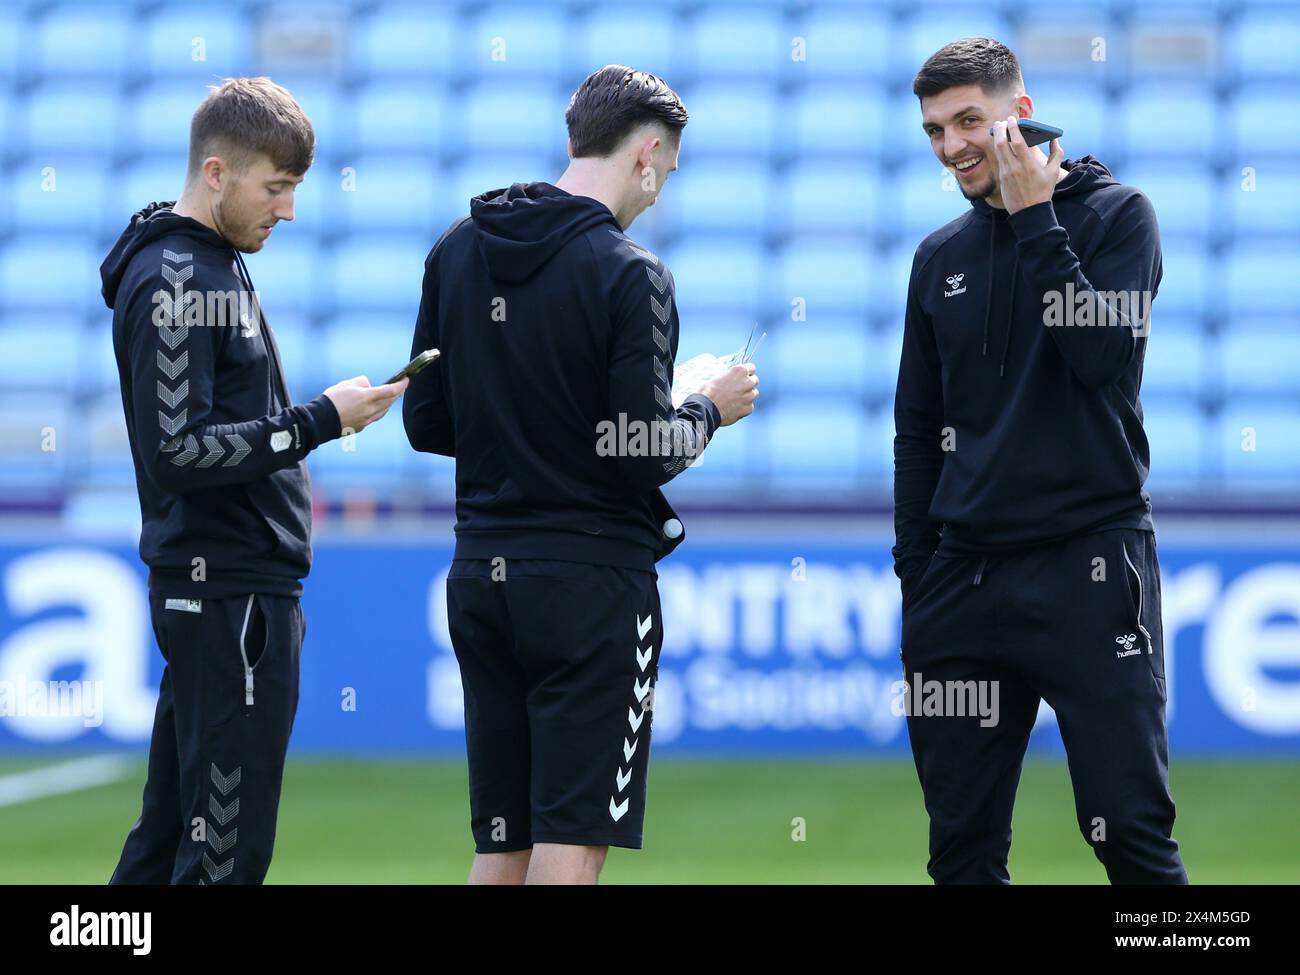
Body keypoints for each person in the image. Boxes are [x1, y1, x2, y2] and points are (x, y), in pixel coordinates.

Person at [404, 64, 759, 884]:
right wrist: (708, 407)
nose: (660, 193)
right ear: (644, 153)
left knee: (503, 838)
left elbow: (425, 421)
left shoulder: (456, 249)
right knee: (573, 840)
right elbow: (641, 447)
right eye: (665, 171)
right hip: (590, 584)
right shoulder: (632, 271)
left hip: (480, 576)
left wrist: (524, 429)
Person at [893, 38, 1188, 884]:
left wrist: (1034, 220)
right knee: (962, 853)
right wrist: (919, 576)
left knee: (1130, 836)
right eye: (934, 131)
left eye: (967, 122)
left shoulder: (1119, 216)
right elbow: (918, 429)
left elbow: (1099, 357)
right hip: (961, 588)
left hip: (1089, 568)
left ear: (1020, 115)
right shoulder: (938, 257)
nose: (950, 147)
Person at [101, 77, 407, 884]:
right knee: (223, 856)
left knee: (167, 839)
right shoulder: (180, 277)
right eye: (276, 187)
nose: (290, 210)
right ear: (215, 172)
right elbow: (179, 450)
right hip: (228, 597)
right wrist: (318, 421)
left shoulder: (208, 264)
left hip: (223, 592)